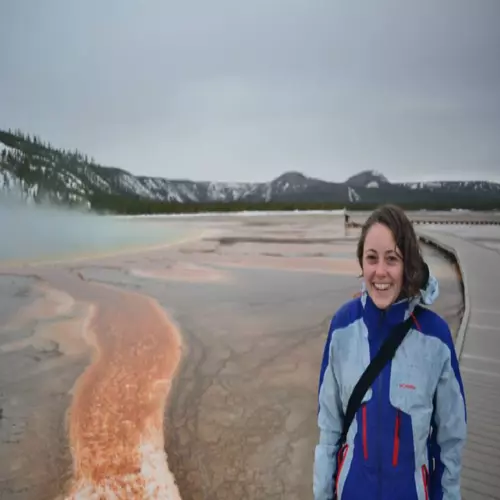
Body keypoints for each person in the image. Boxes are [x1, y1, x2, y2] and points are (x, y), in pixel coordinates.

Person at [313, 204, 467, 500]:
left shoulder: (434, 337)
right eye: (372, 258)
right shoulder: (343, 327)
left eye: (392, 259)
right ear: (362, 263)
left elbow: (450, 440)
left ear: (407, 263)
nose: (380, 271)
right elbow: (329, 428)